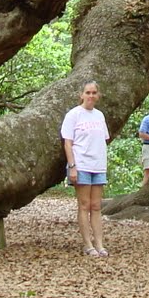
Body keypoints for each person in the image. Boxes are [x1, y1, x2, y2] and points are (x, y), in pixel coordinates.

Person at [61, 80, 111, 256]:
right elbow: (68, 142)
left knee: (96, 206)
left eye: (93, 93)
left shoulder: (99, 116)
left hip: (98, 166)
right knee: (84, 204)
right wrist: (72, 166)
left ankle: (99, 244)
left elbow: (103, 139)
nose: (91, 96)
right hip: (81, 164)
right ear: (81, 95)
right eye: (87, 93)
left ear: (98, 95)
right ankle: (87, 244)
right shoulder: (74, 115)